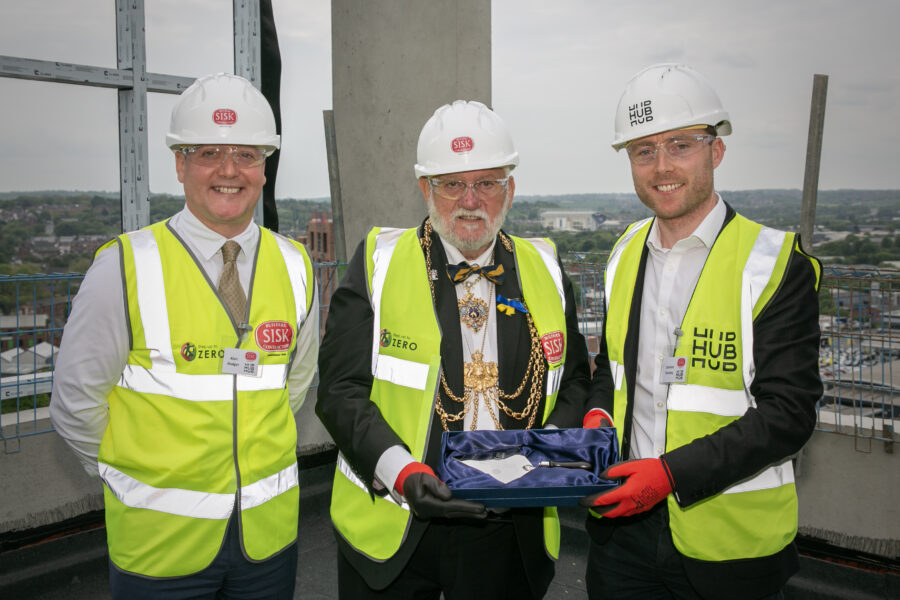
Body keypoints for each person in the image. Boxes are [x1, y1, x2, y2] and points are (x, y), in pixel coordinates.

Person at [49, 73, 318, 599]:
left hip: (267, 543)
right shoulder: (124, 267)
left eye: (246, 154)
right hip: (161, 548)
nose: (228, 170)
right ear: (179, 163)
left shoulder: (296, 265)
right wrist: (130, 481)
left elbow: (293, 386)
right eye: (207, 152)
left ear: (265, 167)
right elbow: (76, 405)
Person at [316, 99, 591, 599]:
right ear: (426, 189)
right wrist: (401, 473)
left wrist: (536, 463)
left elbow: (574, 381)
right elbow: (339, 391)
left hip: (509, 532)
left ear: (510, 189)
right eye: (451, 184)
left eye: (486, 183)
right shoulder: (379, 261)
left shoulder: (546, 268)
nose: (470, 200)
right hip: (395, 526)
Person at [581, 63, 822, 600]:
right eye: (644, 151)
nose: (661, 166)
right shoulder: (623, 253)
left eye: (680, 145)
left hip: (730, 544)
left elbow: (789, 415)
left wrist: (667, 475)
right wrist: (598, 412)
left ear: (715, 151)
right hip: (624, 535)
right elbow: (611, 368)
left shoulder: (774, 264)